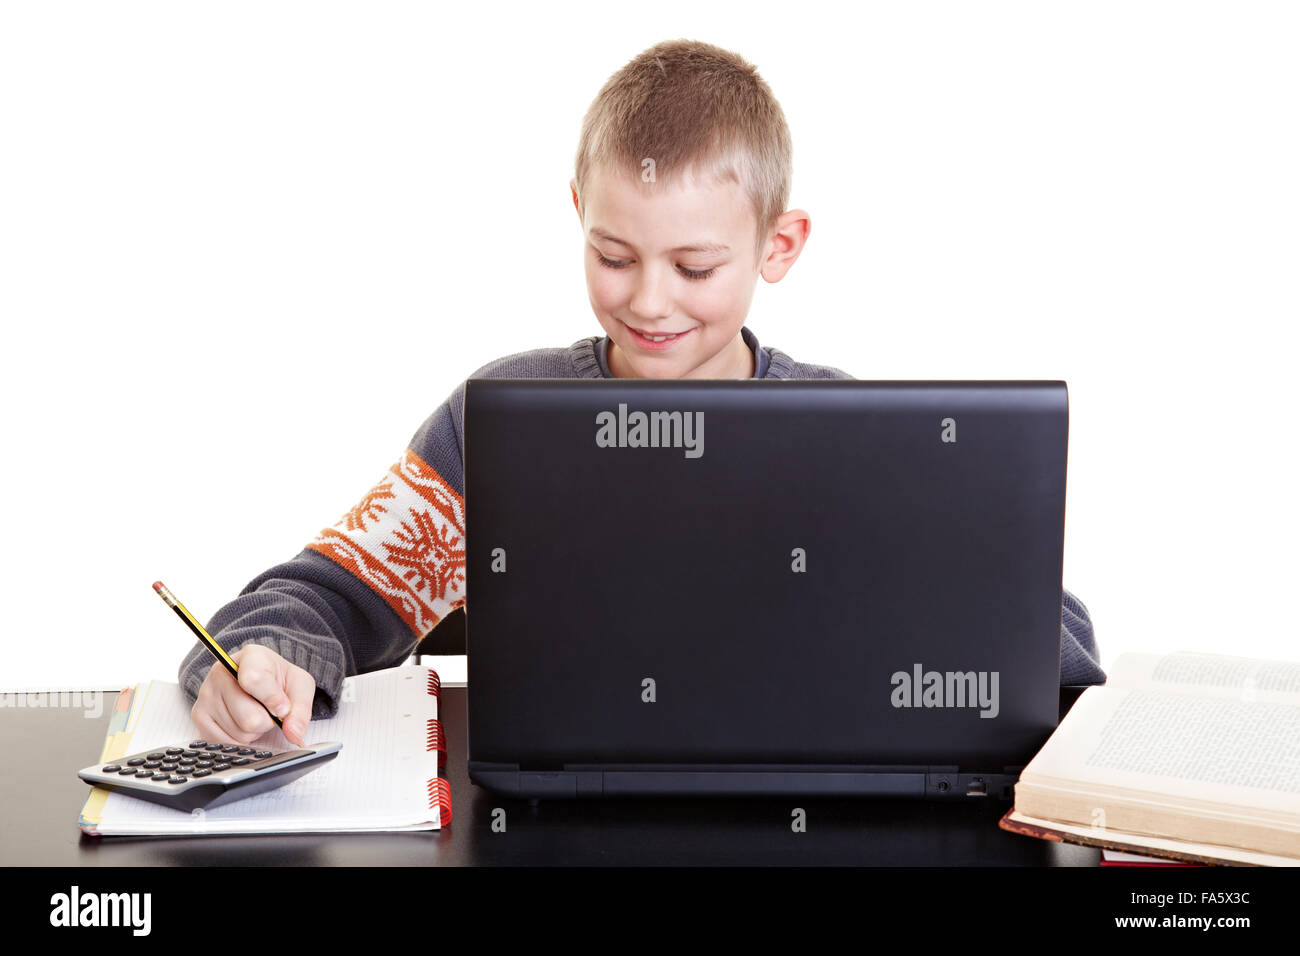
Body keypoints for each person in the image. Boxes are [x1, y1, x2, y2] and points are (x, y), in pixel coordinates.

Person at [179, 38, 1106, 748]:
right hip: (546, 821)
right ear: (579, 213)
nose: (649, 301)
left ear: (778, 248)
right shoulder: (496, 421)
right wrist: (268, 657)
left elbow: (1042, 634)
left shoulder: (853, 436)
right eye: (614, 257)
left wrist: (989, 632)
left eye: (695, 267)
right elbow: (326, 594)